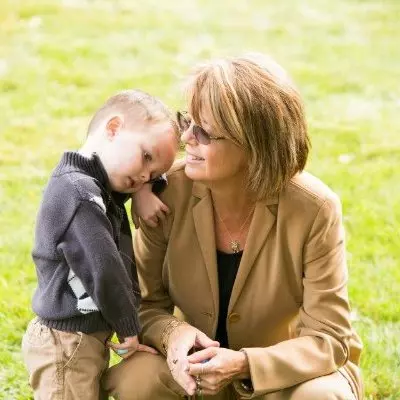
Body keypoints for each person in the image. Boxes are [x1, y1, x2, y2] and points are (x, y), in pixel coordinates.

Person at [104, 54, 363, 400]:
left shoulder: (315, 209)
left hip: (281, 378)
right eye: (187, 122)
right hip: (190, 369)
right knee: (135, 380)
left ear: (256, 145)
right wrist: (174, 335)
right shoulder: (165, 194)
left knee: (320, 397)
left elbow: (329, 337)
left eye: (204, 132)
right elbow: (141, 302)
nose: (187, 139)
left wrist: (245, 364)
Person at [21, 89, 179, 400]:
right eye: (146, 157)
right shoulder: (80, 194)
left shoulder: (95, 187)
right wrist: (128, 325)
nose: (147, 174)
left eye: (154, 173)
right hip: (65, 341)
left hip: (80, 338)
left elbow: (131, 182)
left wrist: (142, 190)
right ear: (113, 128)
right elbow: (104, 267)